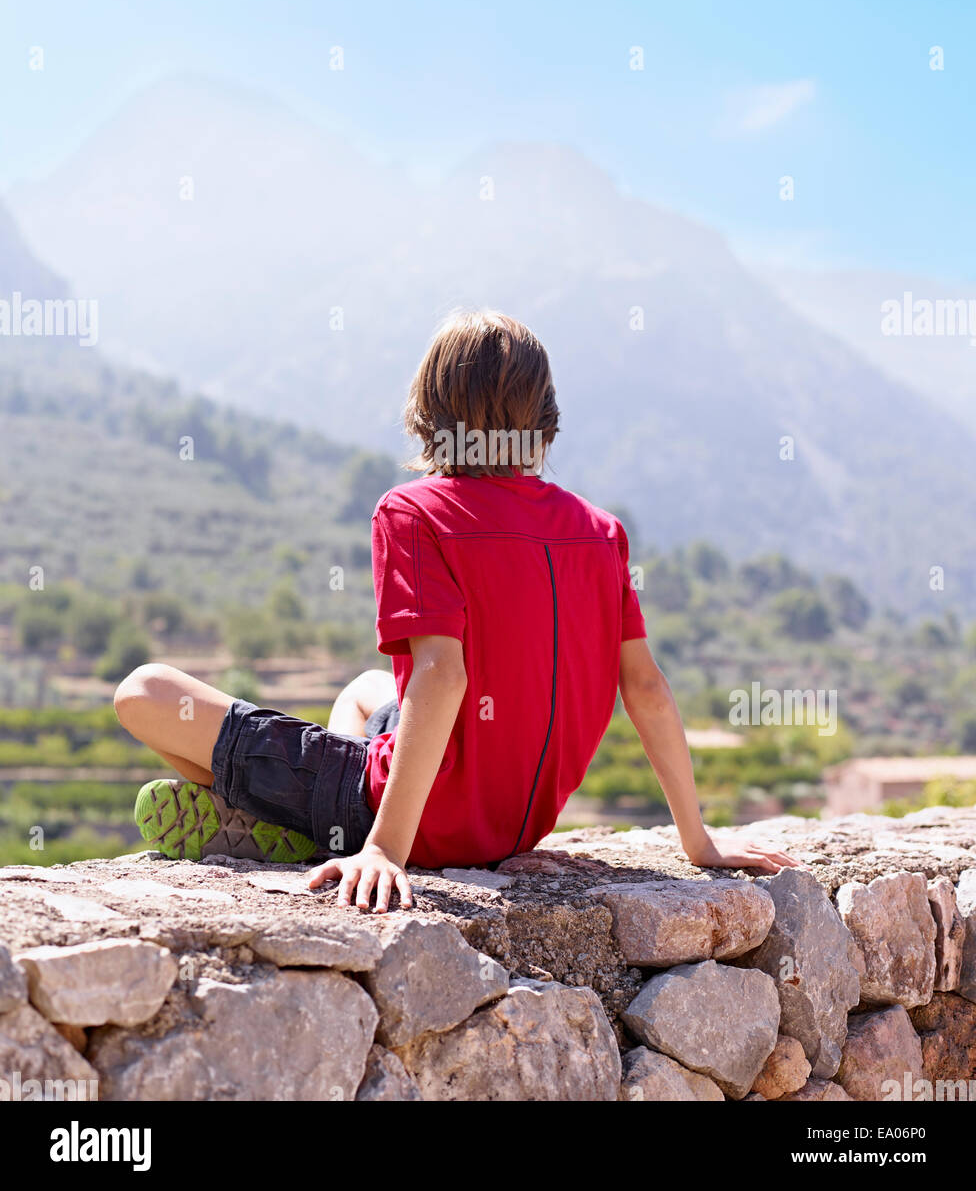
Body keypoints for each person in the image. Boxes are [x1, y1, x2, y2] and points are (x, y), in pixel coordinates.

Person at [115, 309, 800, 912]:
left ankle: (316, 830)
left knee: (142, 694)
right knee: (362, 692)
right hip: (512, 828)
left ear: (430, 409)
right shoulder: (600, 531)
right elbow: (646, 687)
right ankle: (309, 821)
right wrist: (696, 838)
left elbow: (444, 677)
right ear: (545, 416)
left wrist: (385, 847)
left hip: (412, 821)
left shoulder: (414, 512)